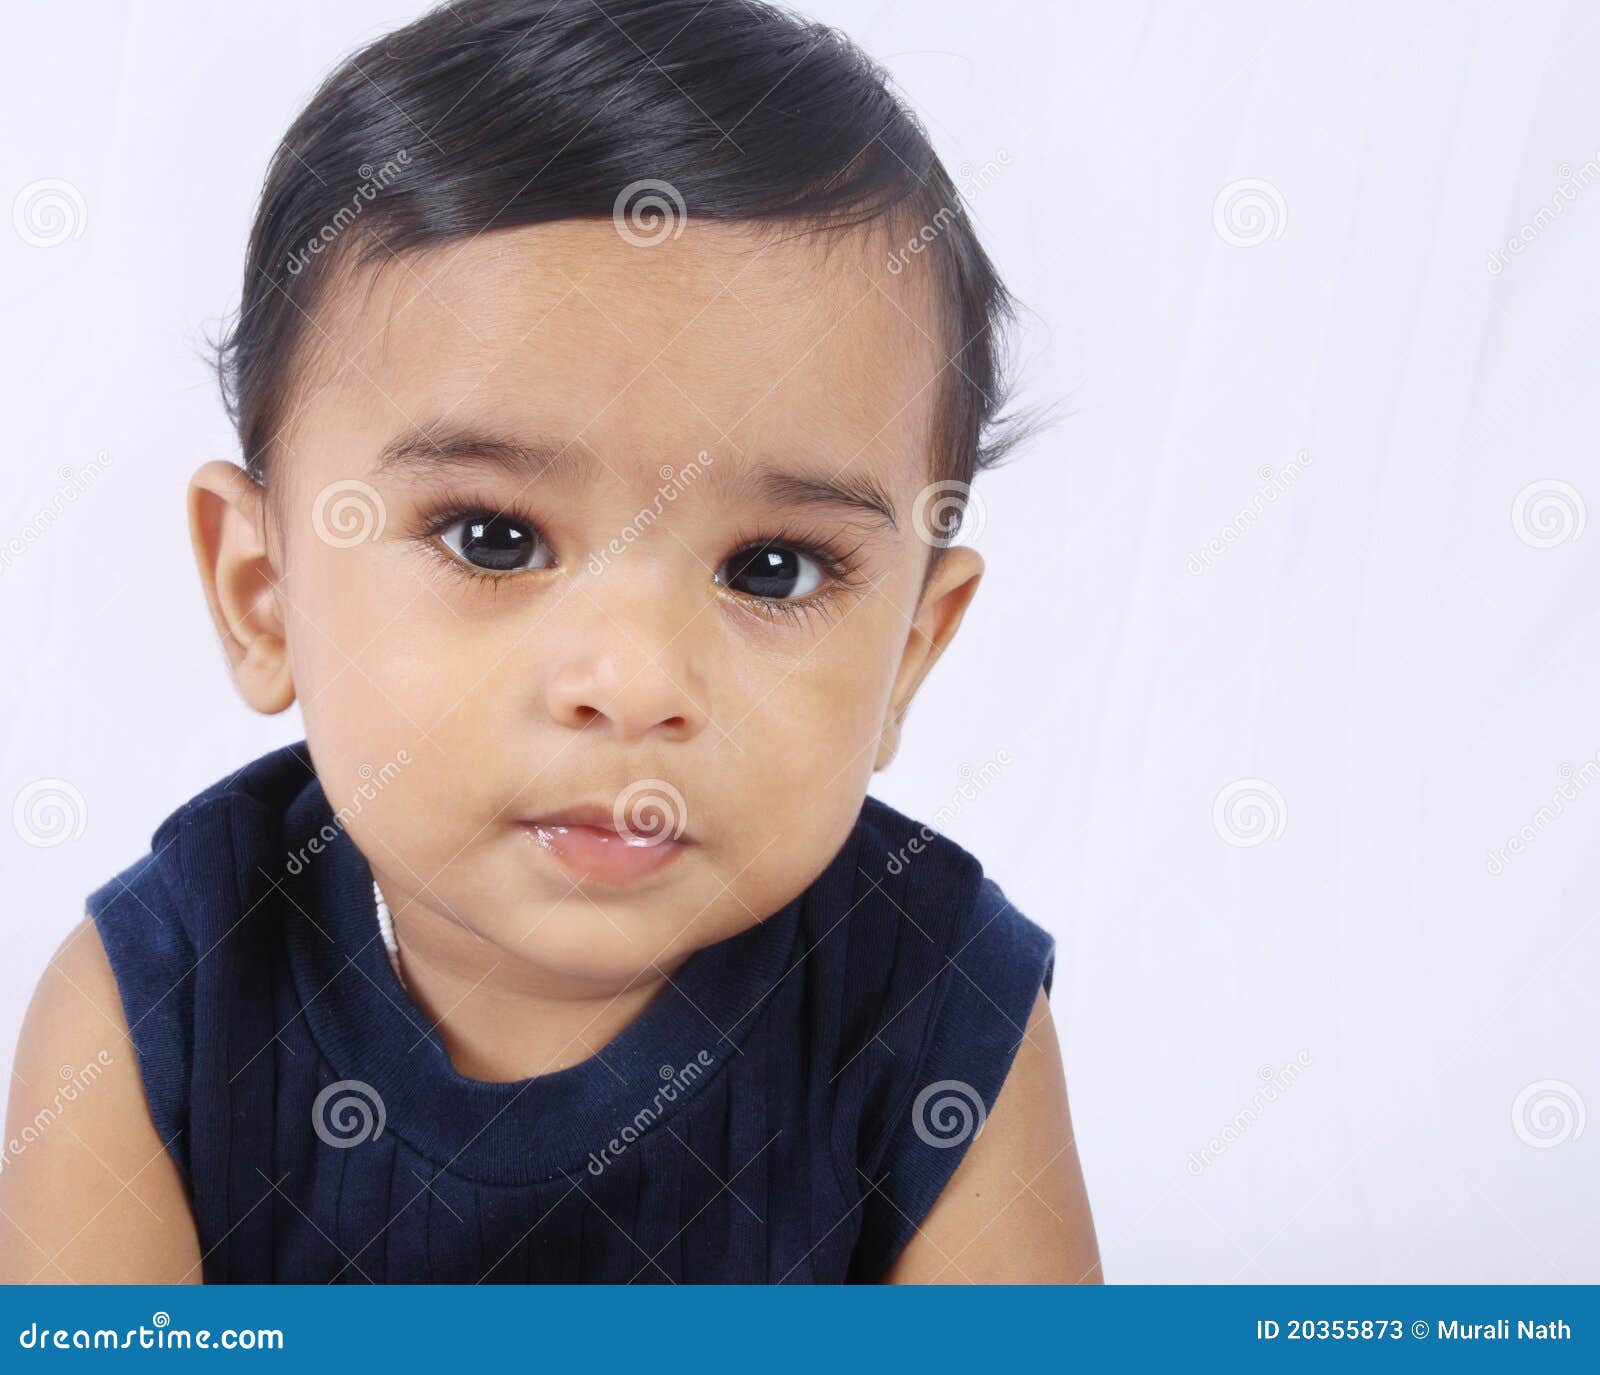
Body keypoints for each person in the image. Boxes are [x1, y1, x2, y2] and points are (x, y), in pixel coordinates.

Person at [0, 0, 1100, 1284]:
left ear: (909, 651)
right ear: (262, 593)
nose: (632, 684)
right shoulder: (162, 1004)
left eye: (772, 568)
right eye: (493, 539)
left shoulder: (937, 1010)